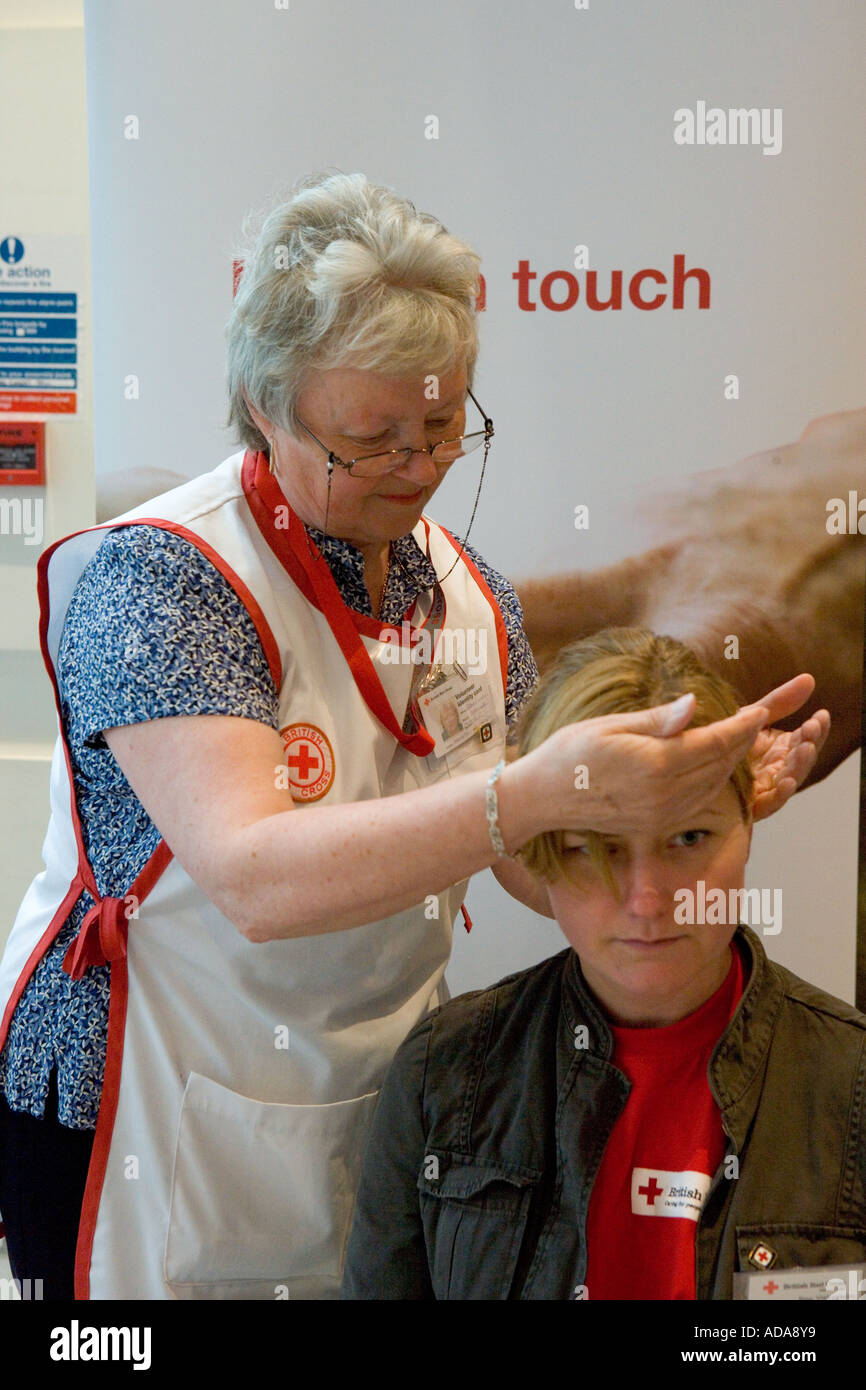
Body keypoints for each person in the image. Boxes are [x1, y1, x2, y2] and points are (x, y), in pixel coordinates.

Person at [0, 173, 822, 1302]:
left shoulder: (467, 595)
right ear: (266, 406)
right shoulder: (166, 579)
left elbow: (524, 863)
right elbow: (253, 879)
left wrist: (668, 810)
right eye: (367, 439)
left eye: (442, 426)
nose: (416, 468)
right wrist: (529, 797)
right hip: (145, 1092)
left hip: (380, 1084)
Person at [342, 628, 864, 1301]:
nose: (647, 901)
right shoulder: (442, 1076)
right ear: (538, 851)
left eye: (689, 836)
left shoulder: (849, 1089)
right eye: (596, 847)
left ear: (750, 821)